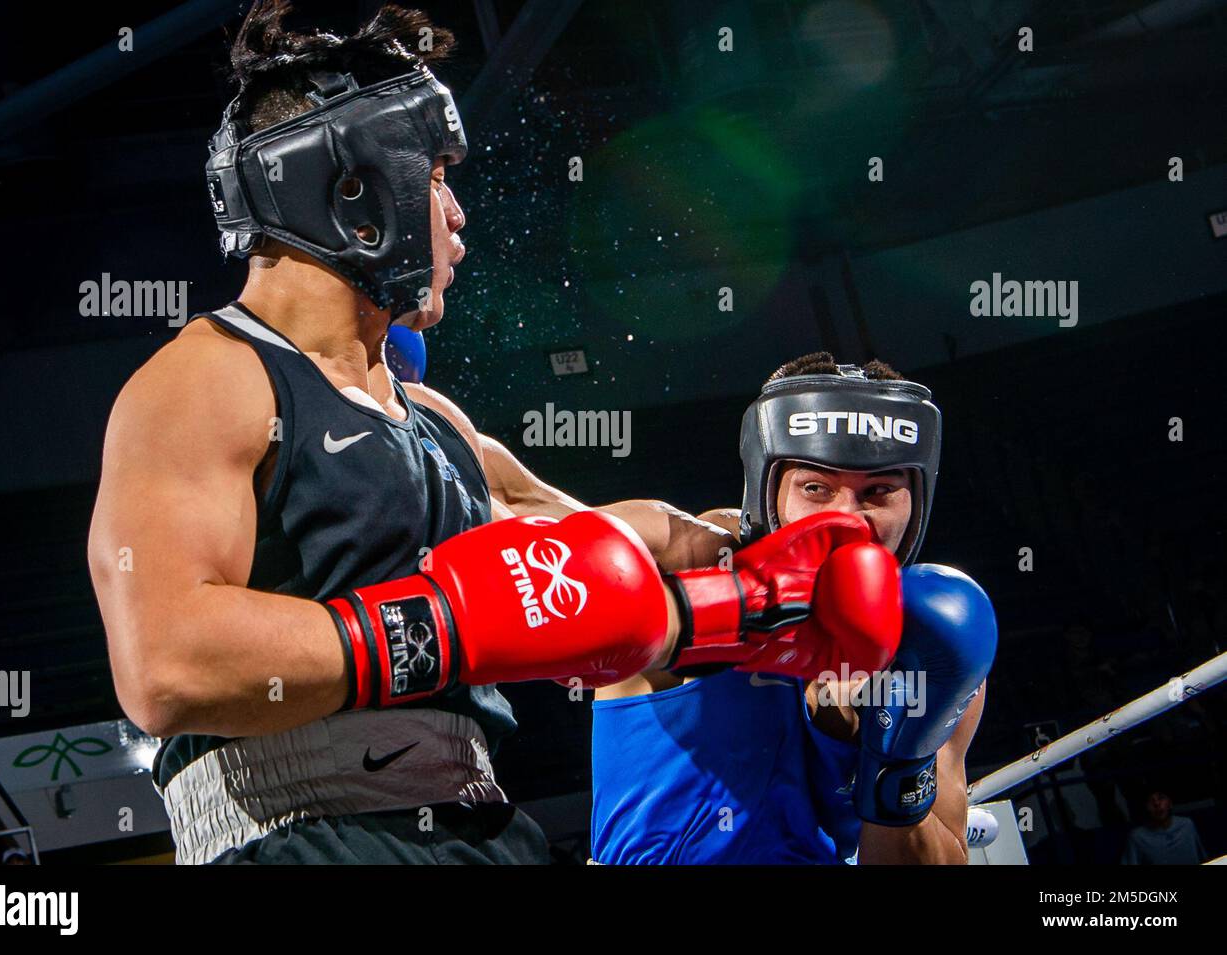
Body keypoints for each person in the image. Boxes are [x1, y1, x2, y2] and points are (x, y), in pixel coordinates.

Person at [88, 4, 902, 864]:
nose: (459, 215)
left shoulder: (434, 423)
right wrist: (438, 628)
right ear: (357, 186)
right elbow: (165, 664)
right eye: (439, 176)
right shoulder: (207, 378)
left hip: (480, 826)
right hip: (296, 832)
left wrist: (766, 585)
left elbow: (594, 550)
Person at [591, 353, 998, 864]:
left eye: (878, 492)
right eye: (816, 488)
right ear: (766, 488)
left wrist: (896, 763)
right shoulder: (689, 557)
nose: (848, 518)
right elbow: (544, 537)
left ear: (917, 501)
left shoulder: (930, 644)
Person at [1121, 790, 1208, 864]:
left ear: (1170, 803)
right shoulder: (1137, 837)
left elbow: (1203, 857)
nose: (1157, 804)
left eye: (1161, 798)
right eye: (1150, 801)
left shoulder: (1186, 825)